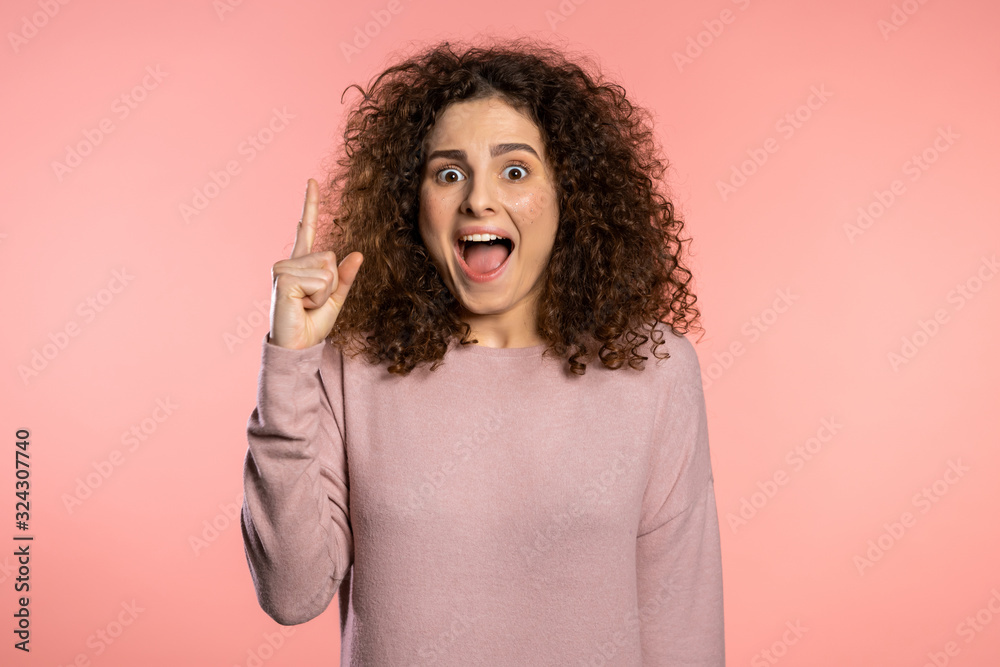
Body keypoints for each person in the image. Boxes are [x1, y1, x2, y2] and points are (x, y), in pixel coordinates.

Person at [240, 36, 724, 665]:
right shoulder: (349, 363)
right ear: (412, 204)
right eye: (449, 174)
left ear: (571, 194)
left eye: (514, 171)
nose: (477, 198)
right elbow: (291, 592)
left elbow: (682, 622)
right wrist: (289, 363)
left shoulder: (654, 368)